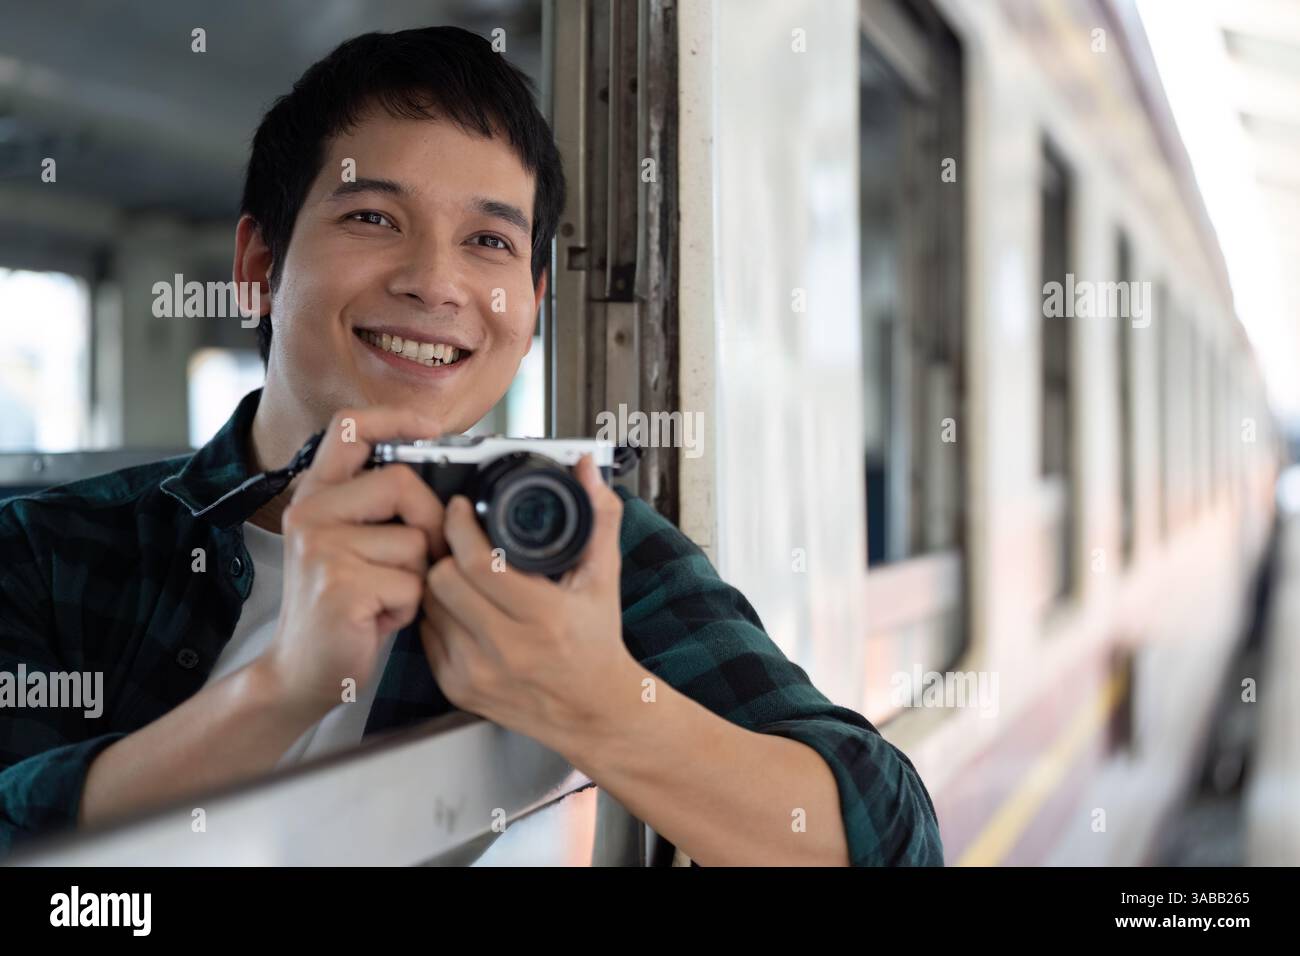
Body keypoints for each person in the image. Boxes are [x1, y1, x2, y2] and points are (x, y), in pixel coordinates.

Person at [0, 26, 942, 866]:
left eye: (490, 242)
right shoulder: (46, 550)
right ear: (260, 267)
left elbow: (887, 837)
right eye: (372, 217)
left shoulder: (579, 550)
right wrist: (284, 688)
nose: (433, 282)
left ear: (531, 311)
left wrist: (593, 699)